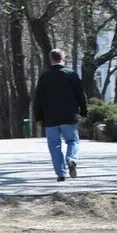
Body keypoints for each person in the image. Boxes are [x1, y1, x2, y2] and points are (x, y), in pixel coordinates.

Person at [32, 48, 88, 181]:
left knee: (54, 146)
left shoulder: (44, 77)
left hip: (50, 118)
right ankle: (71, 158)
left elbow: (38, 98)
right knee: (72, 141)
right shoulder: (71, 74)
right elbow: (81, 94)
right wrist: (84, 112)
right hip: (69, 116)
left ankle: (61, 174)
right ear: (63, 58)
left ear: (51, 59)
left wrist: (38, 117)